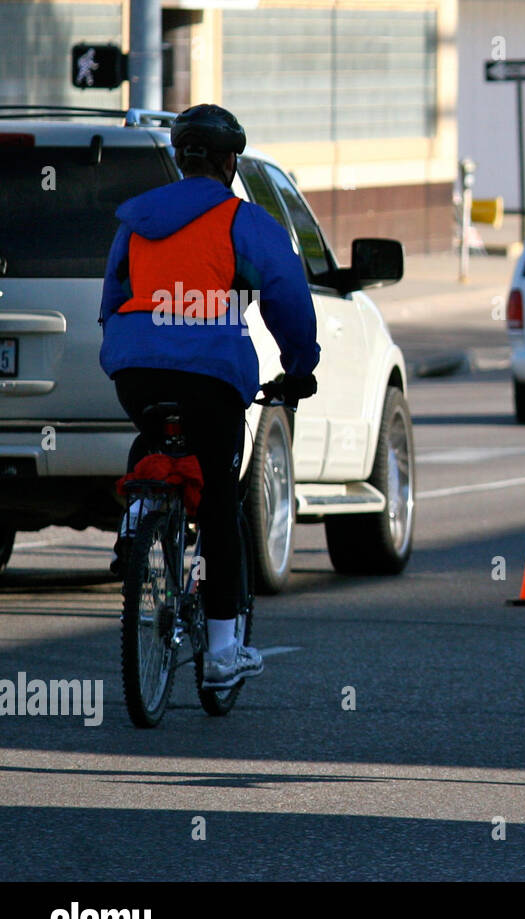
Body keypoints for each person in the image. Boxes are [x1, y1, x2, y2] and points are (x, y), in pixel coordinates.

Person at [99, 104, 320, 690]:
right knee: (220, 502)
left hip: (136, 367)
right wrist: (299, 368)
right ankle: (223, 652)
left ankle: (141, 514)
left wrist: (127, 348)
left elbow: (112, 294)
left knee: (152, 440)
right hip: (209, 375)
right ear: (230, 161)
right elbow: (288, 299)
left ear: (179, 157)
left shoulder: (137, 220)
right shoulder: (242, 221)